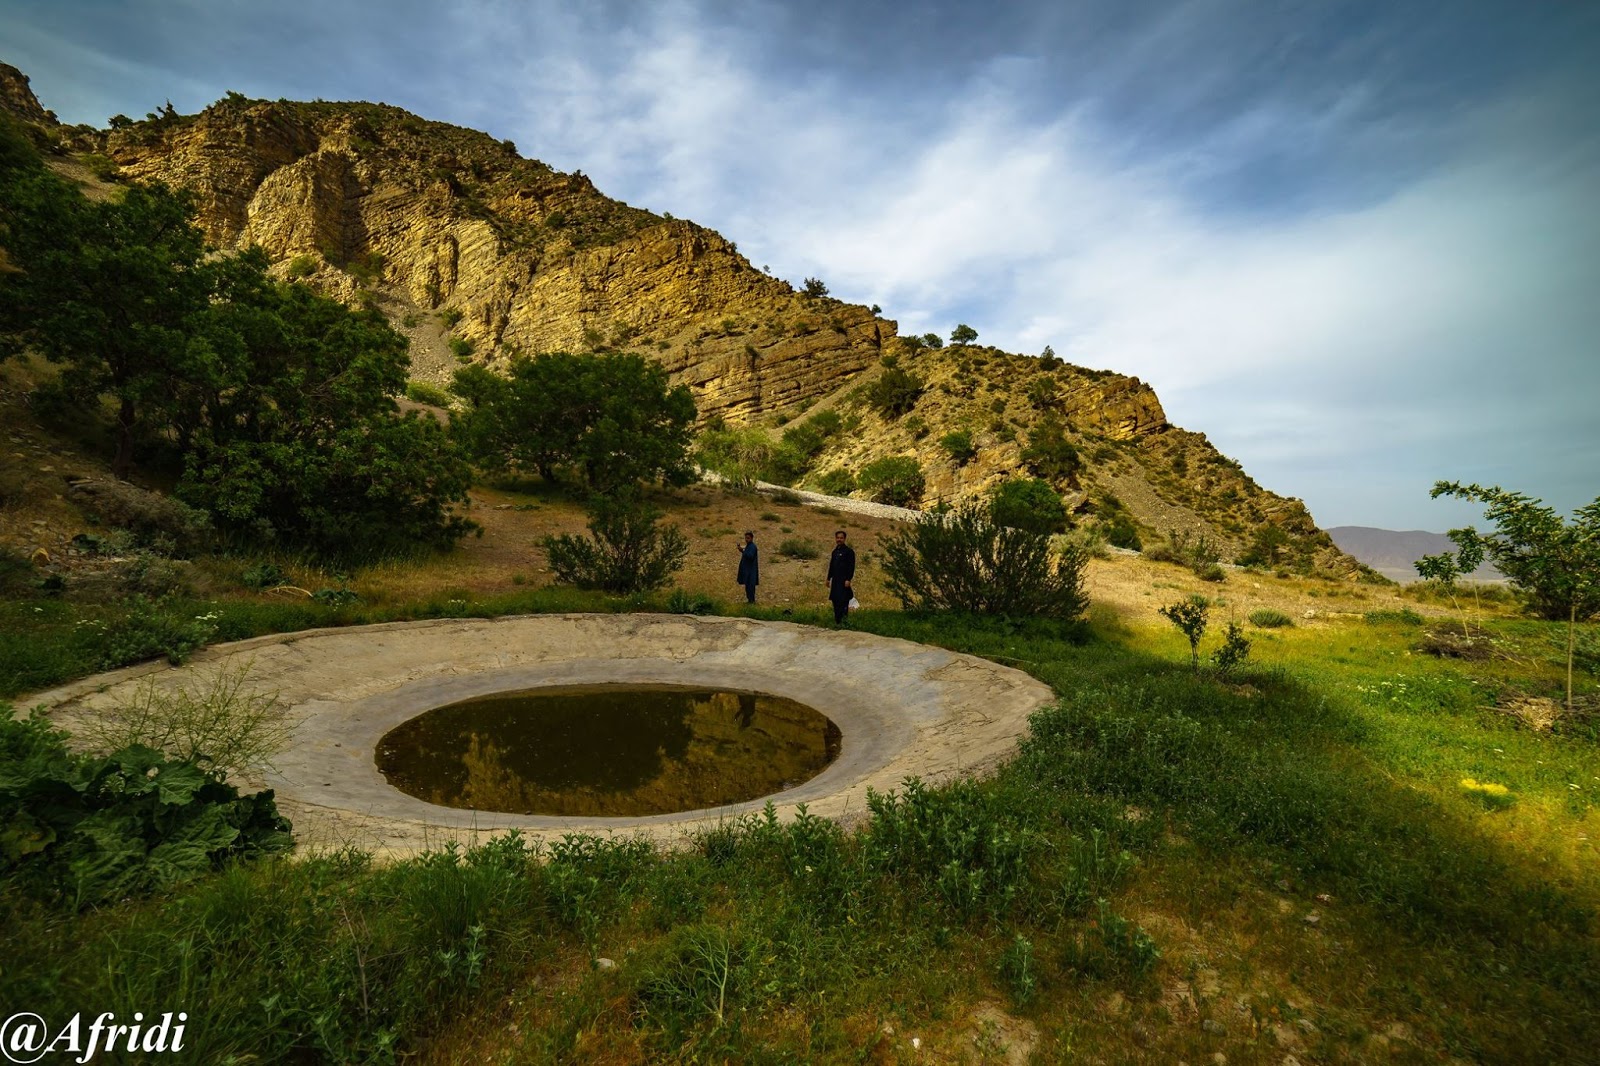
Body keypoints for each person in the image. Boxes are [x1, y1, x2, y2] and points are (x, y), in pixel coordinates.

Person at [825, 529, 855, 625]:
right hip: (835, 580)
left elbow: (851, 567)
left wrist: (848, 579)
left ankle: (844, 622)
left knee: (843, 601)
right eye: (837, 538)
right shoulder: (835, 552)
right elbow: (832, 566)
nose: (839, 539)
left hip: (844, 580)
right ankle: (837, 622)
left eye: (841, 538)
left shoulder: (849, 552)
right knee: (835, 600)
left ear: (844, 539)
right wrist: (828, 578)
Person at [736, 530, 759, 603]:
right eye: (746, 538)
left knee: (750, 587)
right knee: (748, 586)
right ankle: (749, 601)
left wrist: (743, 551)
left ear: (752, 538)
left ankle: (752, 601)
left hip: (751, 571)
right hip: (747, 570)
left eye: (748, 538)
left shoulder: (752, 547)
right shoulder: (749, 546)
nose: (746, 539)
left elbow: (750, 556)